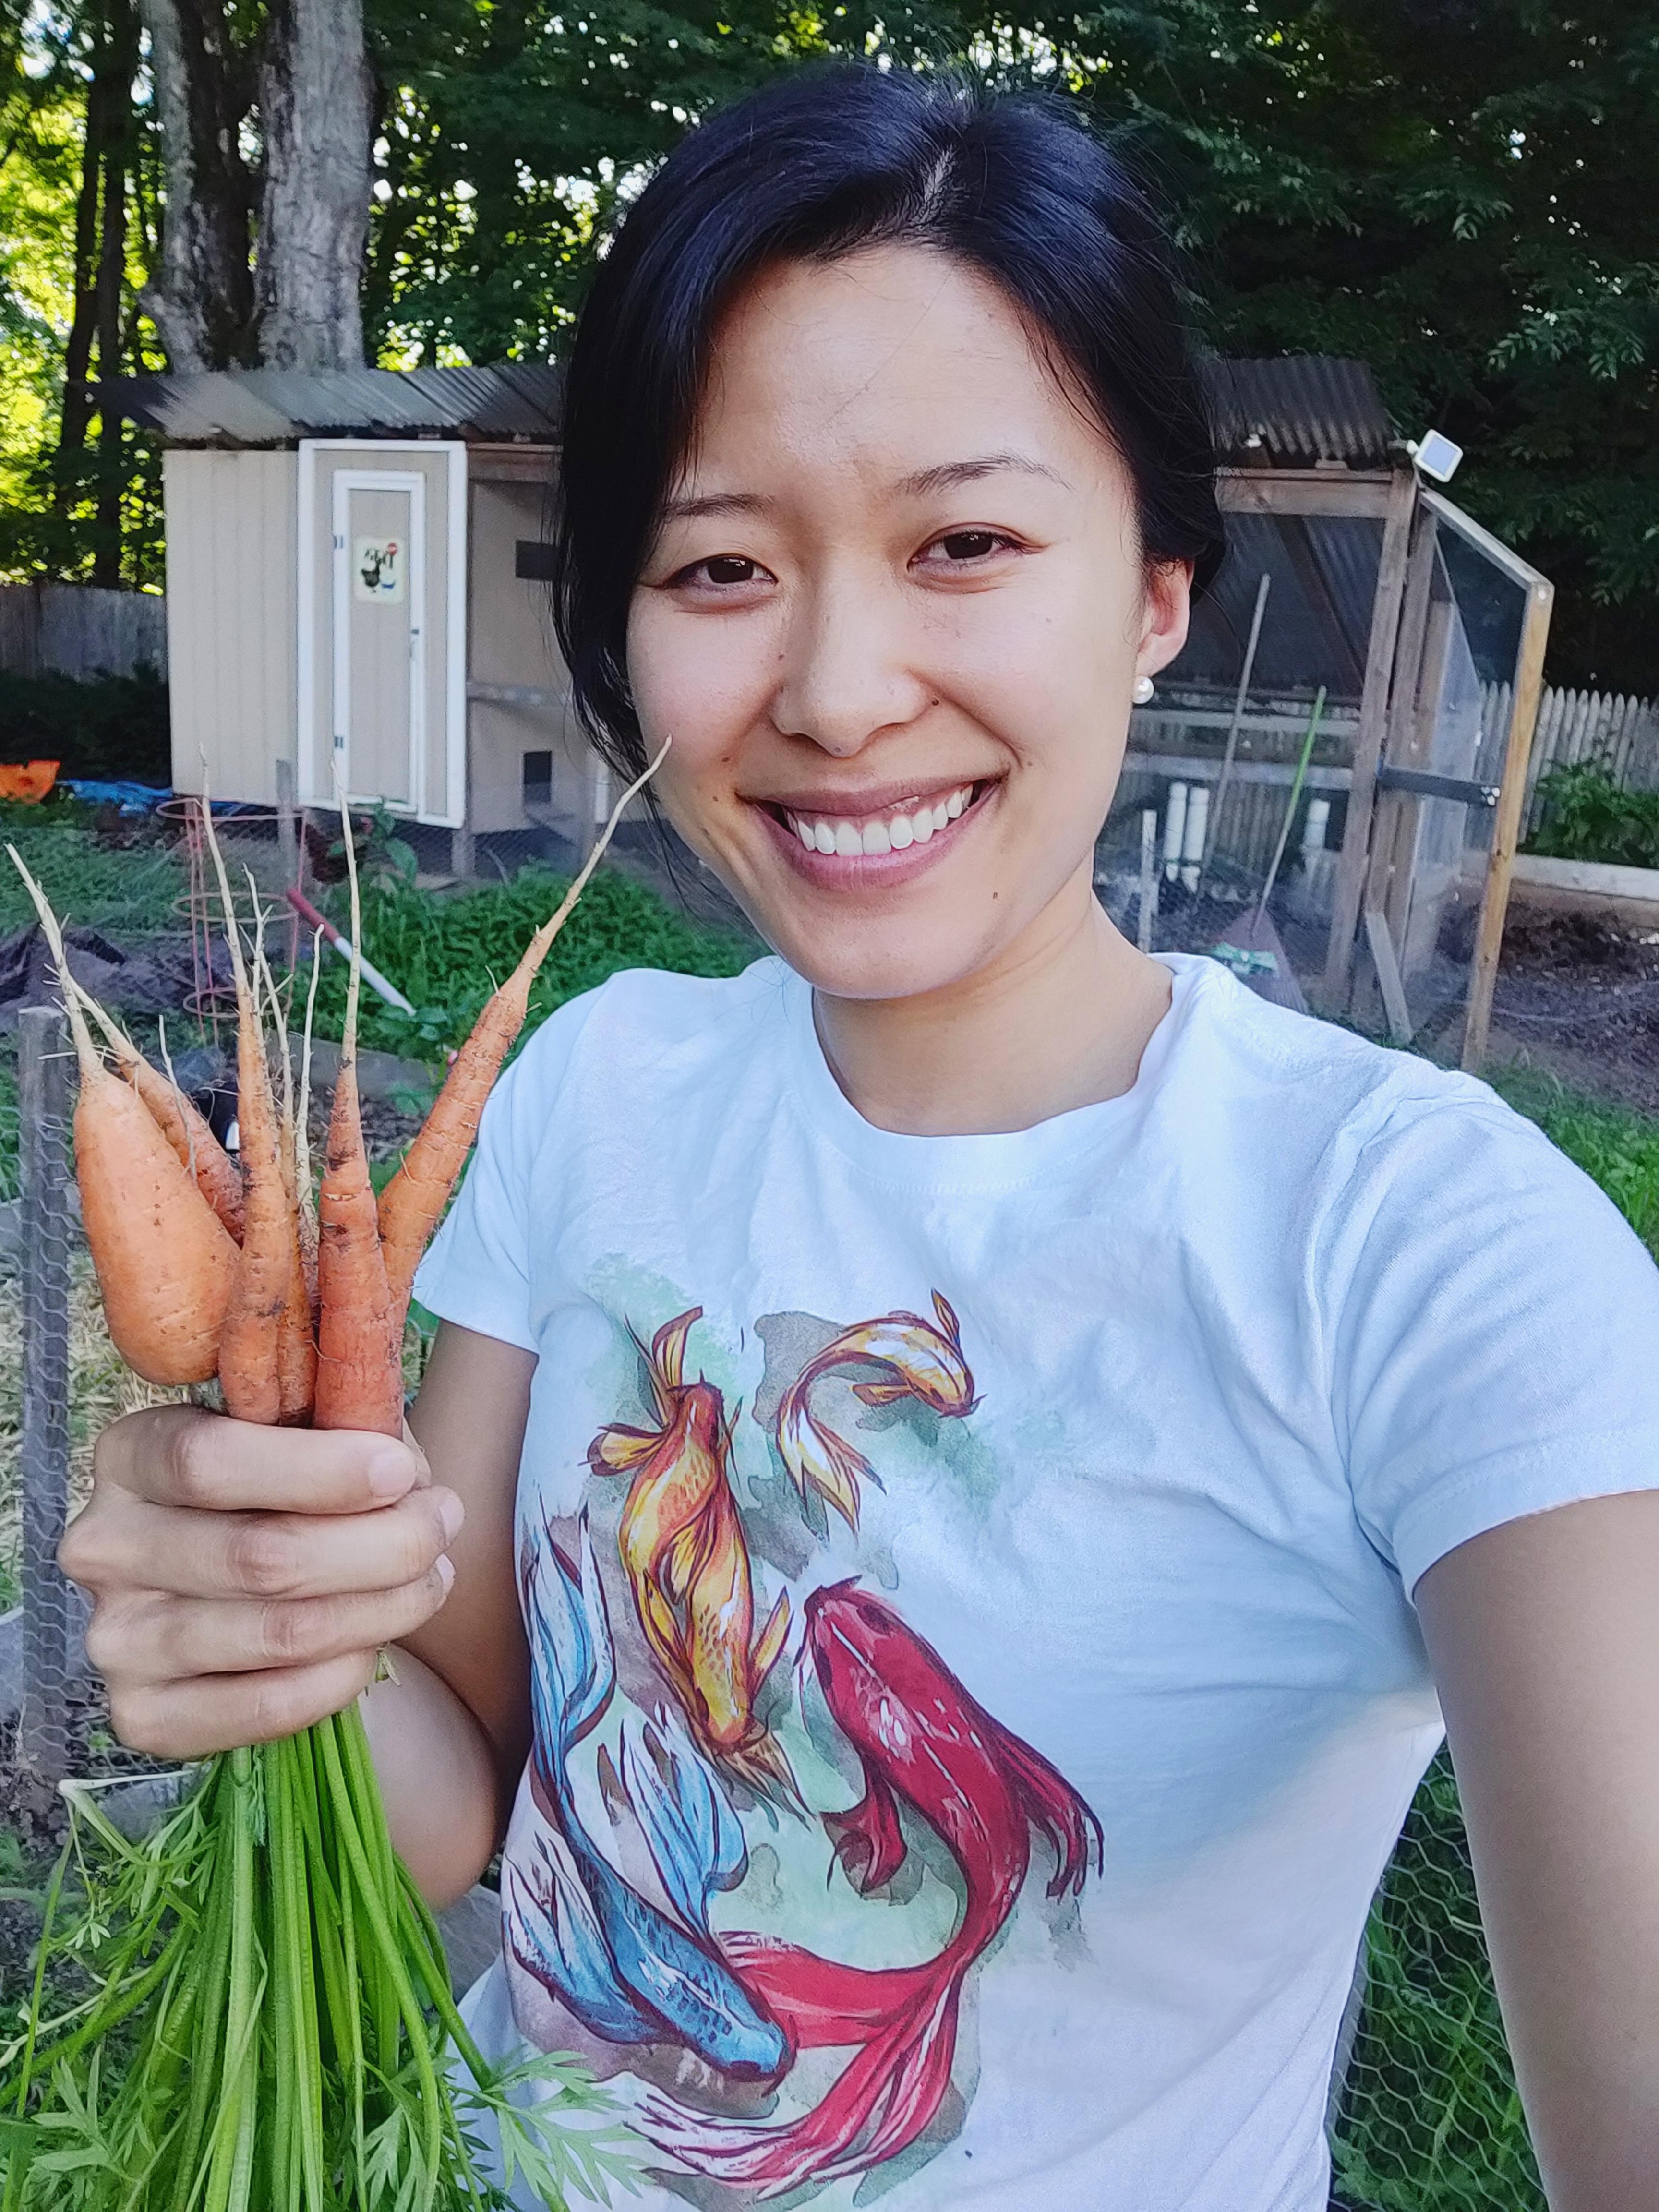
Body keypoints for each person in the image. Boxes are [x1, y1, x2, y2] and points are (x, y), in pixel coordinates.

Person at [64, 64, 1659, 2212]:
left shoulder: (1424, 1249)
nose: (831, 689)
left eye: (966, 543)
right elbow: (466, 1784)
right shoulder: (601, 1086)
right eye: (722, 564)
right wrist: (266, 1635)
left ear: (1159, 593)